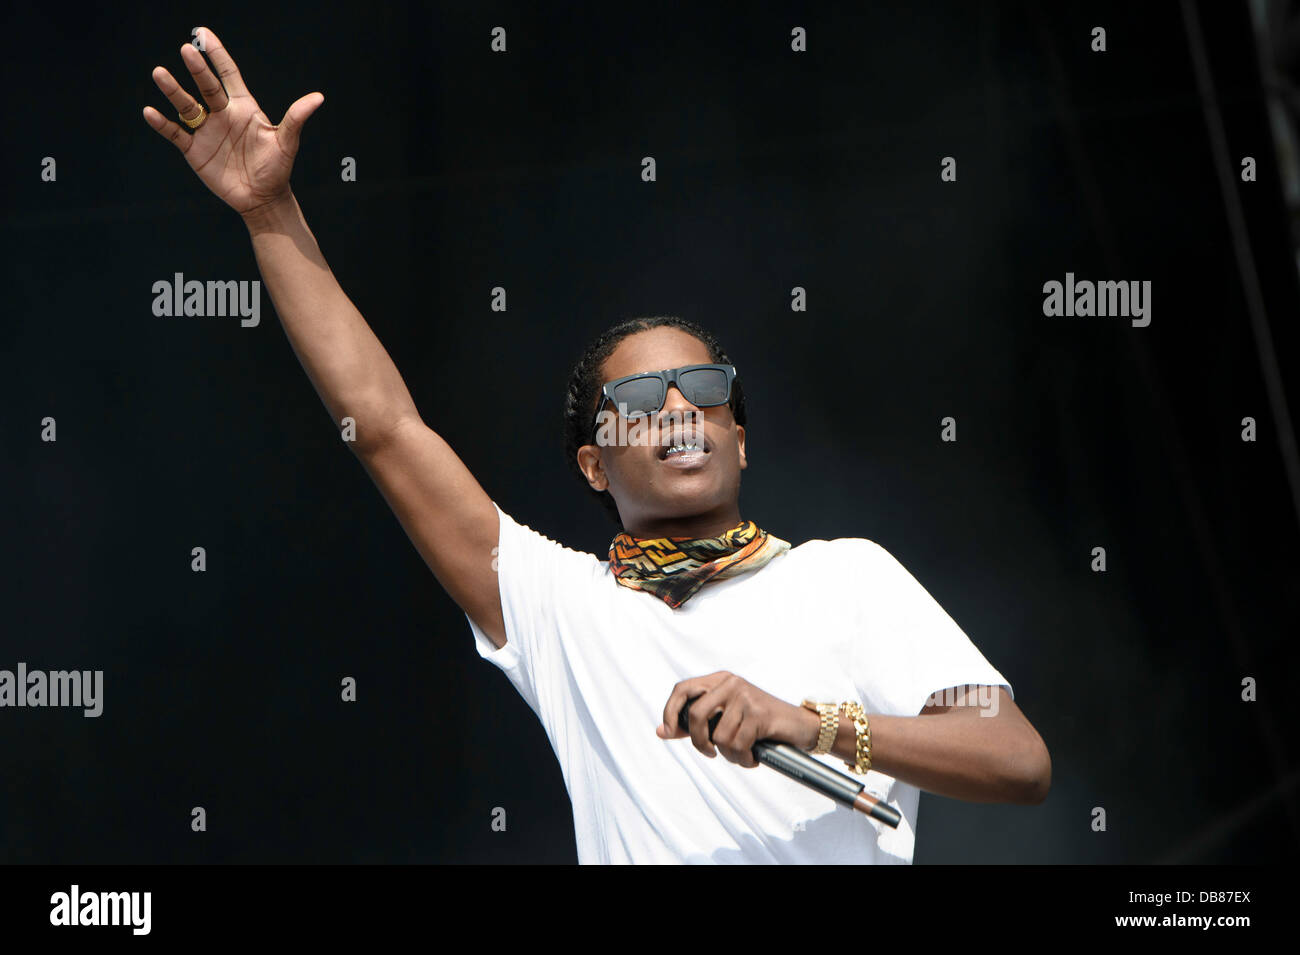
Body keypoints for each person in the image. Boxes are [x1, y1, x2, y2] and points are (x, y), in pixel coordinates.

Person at [144, 26, 1051, 864]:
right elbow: (384, 427)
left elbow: (1016, 756)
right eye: (639, 401)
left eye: (704, 392)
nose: (679, 412)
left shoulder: (847, 576)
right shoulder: (567, 610)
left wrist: (813, 722)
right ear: (593, 459)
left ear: (740, 434)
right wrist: (270, 214)